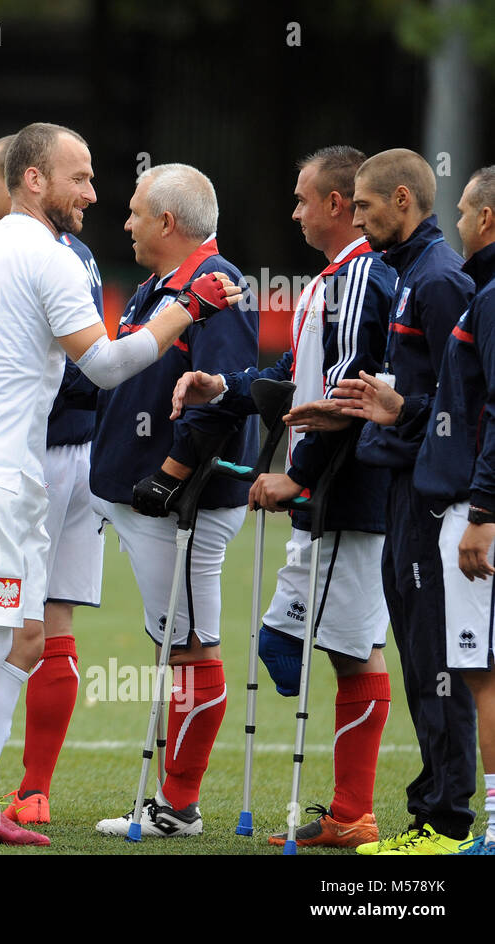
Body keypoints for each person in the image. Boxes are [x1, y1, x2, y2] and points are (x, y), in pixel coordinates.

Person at [0, 122, 241, 845]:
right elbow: (105, 366)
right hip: (0, 481)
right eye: (80, 176)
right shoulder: (54, 261)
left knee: (20, 639)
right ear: (36, 179)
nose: (93, 192)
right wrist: (187, 309)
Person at [172, 146, 395, 847]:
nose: (293, 212)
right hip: (326, 491)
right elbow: (294, 373)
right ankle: (350, 810)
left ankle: (355, 812)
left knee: (341, 646)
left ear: (336, 204)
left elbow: (347, 389)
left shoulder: (359, 277)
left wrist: (300, 475)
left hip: (347, 490)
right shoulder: (330, 280)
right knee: (332, 643)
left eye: (303, 199)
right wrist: (227, 389)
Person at [291, 148, 478, 854]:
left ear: (402, 200)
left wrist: (401, 408)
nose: (357, 219)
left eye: (365, 208)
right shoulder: (404, 275)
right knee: (416, 652)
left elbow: (470, 401)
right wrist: (349, 411)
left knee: (437, 657)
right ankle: (432, 810)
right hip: (404, 484)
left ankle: (444, 822)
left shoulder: (438, 281)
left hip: (432, 493)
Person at [88, 162, 258, 839]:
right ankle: (168, 798)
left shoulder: (219, 285)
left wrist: (170, 471)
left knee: (190, 645)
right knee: (173, 643)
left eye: (134, 212)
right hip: (144, 497)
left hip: (185, 503)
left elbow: (222, 391)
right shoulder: (162, 286)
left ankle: (178, 806)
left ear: (166, 221)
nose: (125, 222)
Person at [0, 133, 103, 827]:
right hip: (72, 458)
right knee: (52, 623)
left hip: (30, 462)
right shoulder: (68, 254)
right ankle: (33, 788)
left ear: (20, 182)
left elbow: (86, 370)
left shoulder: (18, 256)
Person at [411, 165, 495, 855]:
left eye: (465, 211)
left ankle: (492, 827)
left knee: (481, 668)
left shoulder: (490, 297)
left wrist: (484, 510)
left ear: (487, 219)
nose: (458, 222)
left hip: (478, 507)